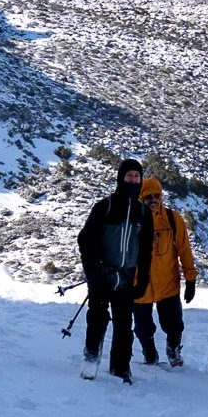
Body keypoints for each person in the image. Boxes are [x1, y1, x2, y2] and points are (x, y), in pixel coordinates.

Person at [76, 158, 155, 383]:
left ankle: (120, 368)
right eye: (129, 176)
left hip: (127, 277)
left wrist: (143, 279)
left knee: (123, 325)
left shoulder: (143, 212)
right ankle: (91, 362)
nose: (132, 180)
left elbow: (146, 249)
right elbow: (85, 239)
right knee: (97, 319)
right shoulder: (105, 206)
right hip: (102, 274)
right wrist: (92, 271)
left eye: (136, 177)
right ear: (121, 178)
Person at [133, 177, 198, 366]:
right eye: (148, 196)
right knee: (142, 329)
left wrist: (191, 279)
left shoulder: (172, 219)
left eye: (157, 196)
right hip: (139, 285)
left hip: (168, 283)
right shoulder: (131, 221)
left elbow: (184, 250)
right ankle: (149, 353)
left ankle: (173, 350)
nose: (153, 200)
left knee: (174, 326)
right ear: (140, 198)